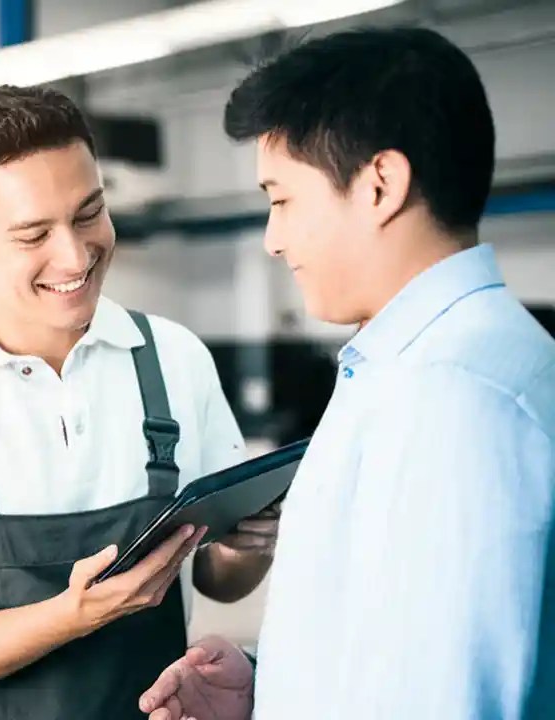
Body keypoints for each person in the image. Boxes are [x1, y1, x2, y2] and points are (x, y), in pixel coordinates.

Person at [139, 26, 555, 720]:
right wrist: (269, 687)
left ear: (380, 186)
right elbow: (405, 650)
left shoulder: (455, 400)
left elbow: (454, 701)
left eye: (282, 199)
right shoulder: (404, 371)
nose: (273, 239)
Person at [0, 84, 282, 719]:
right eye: (33, 234)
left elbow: (218, 578)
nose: (74, 254)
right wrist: (68, 618)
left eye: (89, 213)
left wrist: (246, 543)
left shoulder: (173, 360)